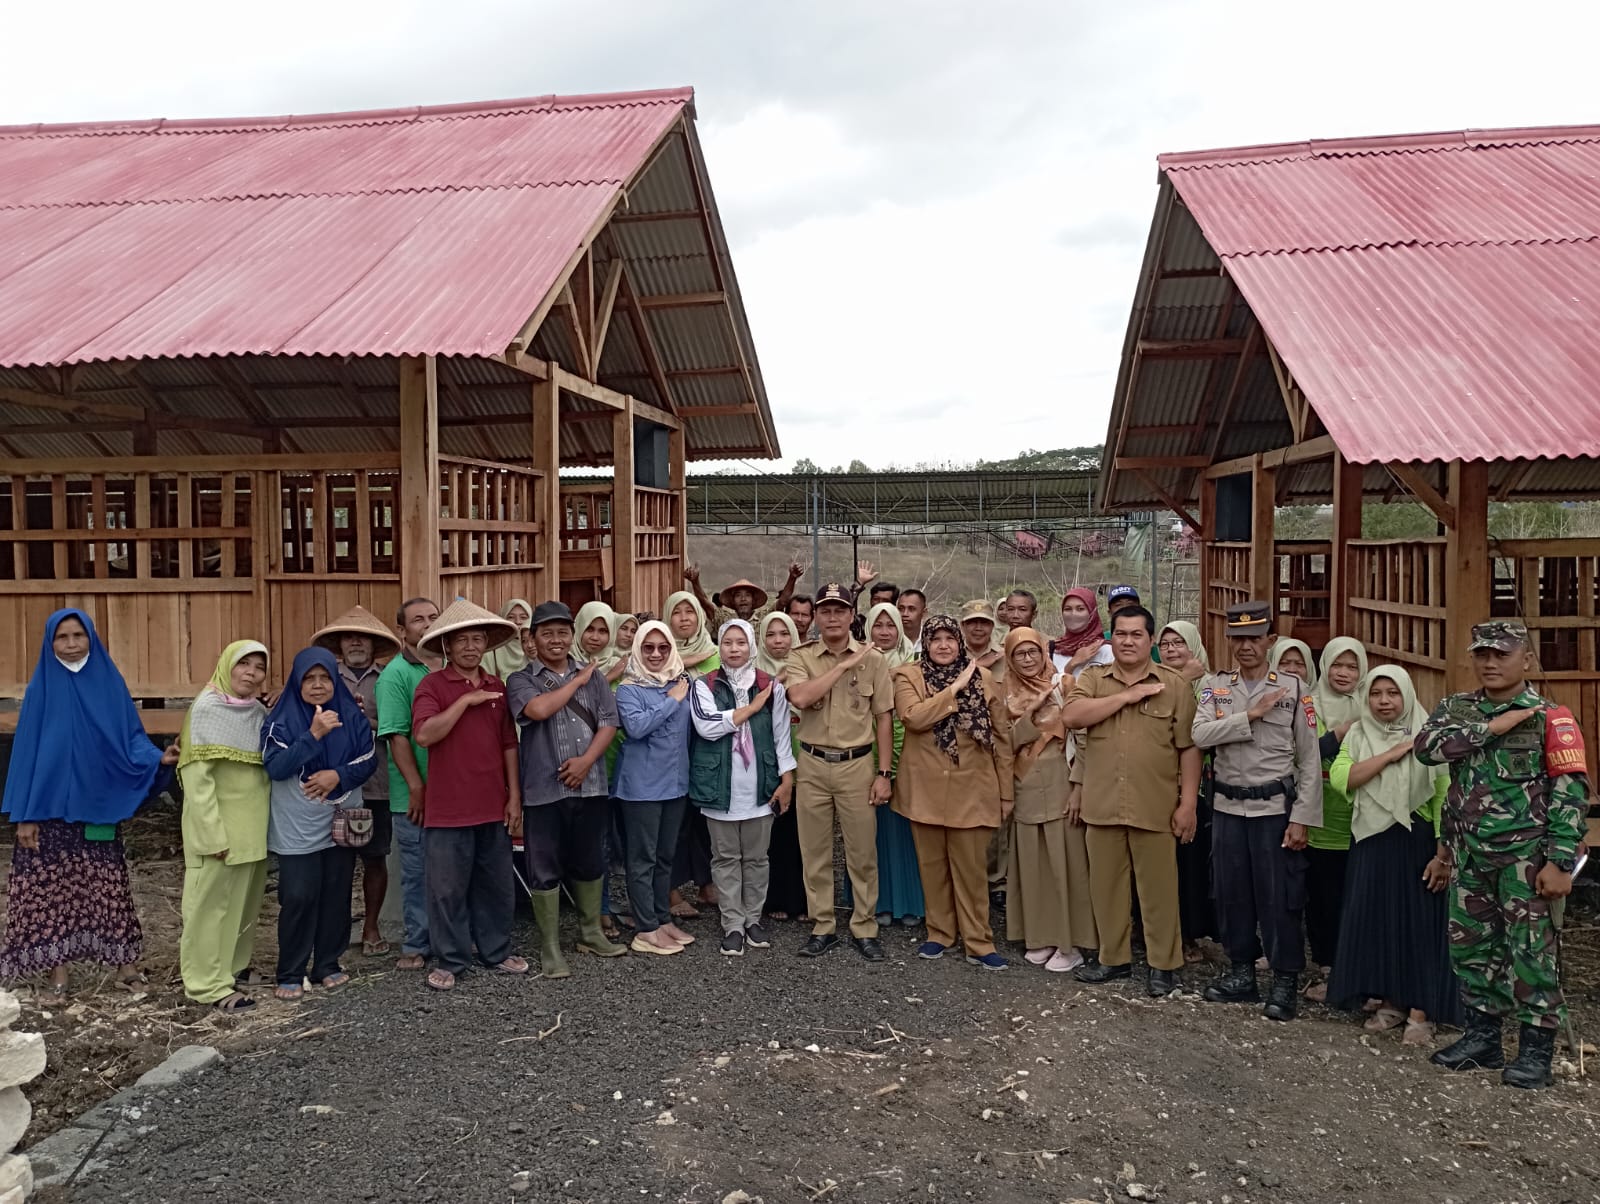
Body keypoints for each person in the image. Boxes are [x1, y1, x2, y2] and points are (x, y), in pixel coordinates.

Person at [1417, 620, 1589, 1090]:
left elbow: (1570, 793)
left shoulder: (1552, 718)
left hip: (1525, 860)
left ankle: (1535, 1053)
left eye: (1502, 654)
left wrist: (1559, 862)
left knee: (1532, 955)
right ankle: (1483, 1040)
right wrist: (1491, 728)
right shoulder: (1458, 708)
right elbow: (1426, 750)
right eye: (1483, 654)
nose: (1490, 663)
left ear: (1527, 660)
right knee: (1471, 949)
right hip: (1469, 855)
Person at [0, 610, 180, 999]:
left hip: (97, 806)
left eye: (78, 635)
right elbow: (26, 755)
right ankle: (58, 972)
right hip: (49, 811)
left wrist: (157, 759)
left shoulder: (109, 684)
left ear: (91, 639)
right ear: (50, 643)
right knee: (50, 893)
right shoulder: (41, 689)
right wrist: (26, 815)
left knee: (108, 886)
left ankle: (125, 967)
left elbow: (130, 739)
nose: (70, 644)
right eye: (61, 637)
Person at [1192, 601, 1321, 1021]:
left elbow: (1310, 760)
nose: (1245, 646)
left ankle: (1284, 980)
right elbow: (1199, 735)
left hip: (1274, 810)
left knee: (1280, 897)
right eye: (1238, 638)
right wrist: (1249, 716)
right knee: (1231, 894)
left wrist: (1302, 817)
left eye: (1254, 638)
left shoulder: (1294, 690)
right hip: (1227, 807)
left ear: (1270, 640)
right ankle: (1241, 972)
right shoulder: (1215, 686)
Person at [1063, 606, 1200, 996]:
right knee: (1106, 888)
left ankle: (1164, 966)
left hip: (1154, 804)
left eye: (1136, 634)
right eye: (1121, 634)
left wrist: (1187, 804)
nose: (1128, 641)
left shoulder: (1174, 685)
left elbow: (1189, 747)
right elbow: (1072, 716)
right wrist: (1128, 696)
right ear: (1112, 638)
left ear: (1150, 640)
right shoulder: (1093, 678)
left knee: (1158, 891)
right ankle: (1113, 959)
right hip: (1103, 804)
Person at [1325, 665, 1458, 1045]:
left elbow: (1443, 795)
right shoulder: (1359, 734)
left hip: (1418, 841)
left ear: (1407, 695)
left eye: (1393, 693)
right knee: (1379, 920)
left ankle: (1421, 1009)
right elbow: (1341, 778)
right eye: (1376, 693)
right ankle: (1391, 1000)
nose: (1384, 701)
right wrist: (1393, 753)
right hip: (1371, 838)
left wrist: (1443, 854)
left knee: (1419, 924)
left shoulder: (1428, 736)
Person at [411, 599, 529, 991]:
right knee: (446, 889)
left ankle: (496, 950)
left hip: (492, 804)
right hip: (447, 809)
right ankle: (451, 959)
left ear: (486, 644)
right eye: (461, 640)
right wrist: (464, 701)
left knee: (496, 884)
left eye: (477, 639)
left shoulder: (496, 687)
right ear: (447, 646)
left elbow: (509, 743)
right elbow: (424, 735)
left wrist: (514, 796)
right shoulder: (432, 686)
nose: (470, 647)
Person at [505, 601, 625, 977]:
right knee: (544, 867)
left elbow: (609, 721)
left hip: (590, 785)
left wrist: (587, 761)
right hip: (543, 789)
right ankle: (551, 946)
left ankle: (590, 933)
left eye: (562, 632)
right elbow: (538, 710)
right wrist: (576, 681)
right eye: (547, 633)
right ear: (532, 639)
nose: (555, 640)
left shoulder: (596, 678)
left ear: (571, 635)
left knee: (590, 861)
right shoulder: (520, 679)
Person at [893, 615, 1014, 969]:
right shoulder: (909, 675)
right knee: (932, 867)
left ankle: (979, 941)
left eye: (950, 638)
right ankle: (940, 934)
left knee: (971, 870)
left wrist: (1006, 793)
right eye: (936, 639)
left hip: (973, 787)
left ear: (959, 643)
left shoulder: (985, 678)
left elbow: (1001, 738)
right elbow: (913, 717)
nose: (943, 645)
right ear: (926, 643)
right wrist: (955, 690)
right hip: (925, 788)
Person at [784, 583, 896, 960]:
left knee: (861, 853)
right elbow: (800, 697)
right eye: (825, 611)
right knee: (814, 851)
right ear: (816, 616)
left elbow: (884, 718)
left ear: (851, 615)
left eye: (840, 610)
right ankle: (823, 926)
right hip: (813, 763)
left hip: (857, 765)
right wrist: (844, 666)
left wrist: (884, 773)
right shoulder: (802, 656)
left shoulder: (874, 659)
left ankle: (864, 926)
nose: (832, 617)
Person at [261, 648, 377, 1001]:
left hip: (341, 821)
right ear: (296, 682)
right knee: (299, 895)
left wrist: (336, 775)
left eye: (325, 678)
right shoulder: (281, 720)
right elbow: (276, 767)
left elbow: (368, 760)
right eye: (309, 679)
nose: (317, 685)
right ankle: (290, 971)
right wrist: (313, 735)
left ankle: (327, 963)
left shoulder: (350, 715)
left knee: (336, 894)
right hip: (297, 824)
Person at [690, 619, 797, 955]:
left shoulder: (770, 686)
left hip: (759, 785)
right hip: (720, 786)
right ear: (719, 647)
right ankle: (732, 923)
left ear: (751, 646)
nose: (734, 649)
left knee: (756, 858)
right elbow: (707, 726)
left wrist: (787, 780)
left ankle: (753, 918)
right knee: (724, 858)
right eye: (727, 643)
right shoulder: (704, 685)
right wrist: (751, 708)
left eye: (740, 643)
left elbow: (781, 737)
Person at [177, 640, 272, 1012]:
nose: (251, 672)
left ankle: (232, 968)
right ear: (226, 666)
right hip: (219, 830)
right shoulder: (206, 709)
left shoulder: (257, 712)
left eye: (259, 667)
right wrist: (210, 834)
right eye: (243, 664)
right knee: (209, 907)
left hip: (252, 828)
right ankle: (206, 984)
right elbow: (197, 780)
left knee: (242, 905)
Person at [1001, 627, 1096, 973]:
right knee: (1031, 863)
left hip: (1061, 780)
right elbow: (1003, 744)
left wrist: (1079, 786)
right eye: (1019, 654)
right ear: (1010, 658)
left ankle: (1071, 942)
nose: (1027, 660)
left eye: (1033, 652)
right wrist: (1031, 714)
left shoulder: (1065, 685)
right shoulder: (1003, 692)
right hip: (1024, 783)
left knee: (1065, 862)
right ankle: (1038, 934)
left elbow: (1084, 738)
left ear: (1044, 653)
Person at [311, 606, 401, 957]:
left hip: (377, 782)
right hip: (334, 784)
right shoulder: (325, 678)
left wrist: (365, 722)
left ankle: (371, 927)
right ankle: (334, 933)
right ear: (340, 644)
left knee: (375, 858)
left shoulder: (389, 677)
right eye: (349, 638)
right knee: (336, 863)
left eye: (363, 638)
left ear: (374, 644)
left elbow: (399, 724)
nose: (356, 643)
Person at [614, 620, 696, 955]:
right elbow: (636, 727)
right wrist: (672, 700)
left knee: (665, 856)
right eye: (648, 647)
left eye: (663, 647)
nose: (656, 654)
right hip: (642, 787)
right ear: (638, 650)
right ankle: (645, 928)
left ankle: (662, 919)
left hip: (675, 784)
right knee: (642, 858)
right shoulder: (628, 689)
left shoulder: (681, 682)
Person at [1301, 636, 1369, 1000]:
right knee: (1322, 895)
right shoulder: (1310, 703)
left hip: (1363, 817)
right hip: (1320, 813)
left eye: (1352, 667)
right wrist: (1340, 733)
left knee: (1357, 897)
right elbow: (1303, 752)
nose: (1343, 673)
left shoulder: (1375, 701)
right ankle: (1329, 967)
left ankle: (1358, 967)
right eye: (1337, 665)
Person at [375, 597, 440, 972]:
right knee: (417, 872)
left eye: (433, 617)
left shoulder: (449, 664)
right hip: (413, 793)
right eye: (418, 620)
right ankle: (416, 942)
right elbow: (396, 736)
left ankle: (449, 938)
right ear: (402, 630)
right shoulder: (396, 675)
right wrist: (416, 786)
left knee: (450, 870)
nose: (427, 624)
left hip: (452, 791)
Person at [860, 603, 924, 928]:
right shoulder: (858, 662)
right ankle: (878, 900)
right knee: (871, 834)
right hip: (866, 755)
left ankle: (910, 901)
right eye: (878, 625)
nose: (884, 632)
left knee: (907, 833)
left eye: (890, 625)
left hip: (911, 755)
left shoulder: (917, 663)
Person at [1156, 620, 1216, 960]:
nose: (1171, 650)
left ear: (1193, 645)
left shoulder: (1211, 686)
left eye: (1179, 643)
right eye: (1165, 644)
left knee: (1189, 863)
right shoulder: (1151, 681)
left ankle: (1189, 933)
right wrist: (1181, 679)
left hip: (1198, 785)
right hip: (1157, 782)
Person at [757, 610, 809, 922]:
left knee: (805, 835)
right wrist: (777, 683)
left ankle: (802, 901)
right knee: (774, 835)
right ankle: (773, 898)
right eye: (771, 634)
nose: (778, 641)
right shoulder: (753, 671)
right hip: (768, 762)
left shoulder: (807, 666)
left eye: (785, 633)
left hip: (806, 760)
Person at [684, 561, 805, 630]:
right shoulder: (724, 619)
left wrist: (792, 578)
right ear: (732, 601)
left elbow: (782, 601)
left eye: (747, 595)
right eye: (738, 595)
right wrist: (695, 582)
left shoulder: (764, 618)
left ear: (753, 600)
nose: (743, 599)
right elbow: (705, 603)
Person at [1051, 588, 1114, 678]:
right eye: (1067, 609)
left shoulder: (1107, 651)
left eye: (1080, 609)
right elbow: (1047, 685)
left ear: (1092, 613)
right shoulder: (1053, 650)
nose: (1073, 614)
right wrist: (1072, 664)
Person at [573, 600, 628, 686]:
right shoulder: (564, 662)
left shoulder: (618, 665)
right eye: (589, 629)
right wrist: (610, 677)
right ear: (579, 628)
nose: (595, 637)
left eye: (603, 631)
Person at [482, 598, 533, 682]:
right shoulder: (491, 648)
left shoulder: (536, 647)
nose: (518, 622)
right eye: (511, 617)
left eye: (523, 617)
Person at [896, 589, 928, 654]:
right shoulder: (888, 639)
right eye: (901, 609)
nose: (905, 614)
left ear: (924, 613)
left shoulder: (930, 640)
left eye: (911, 609)